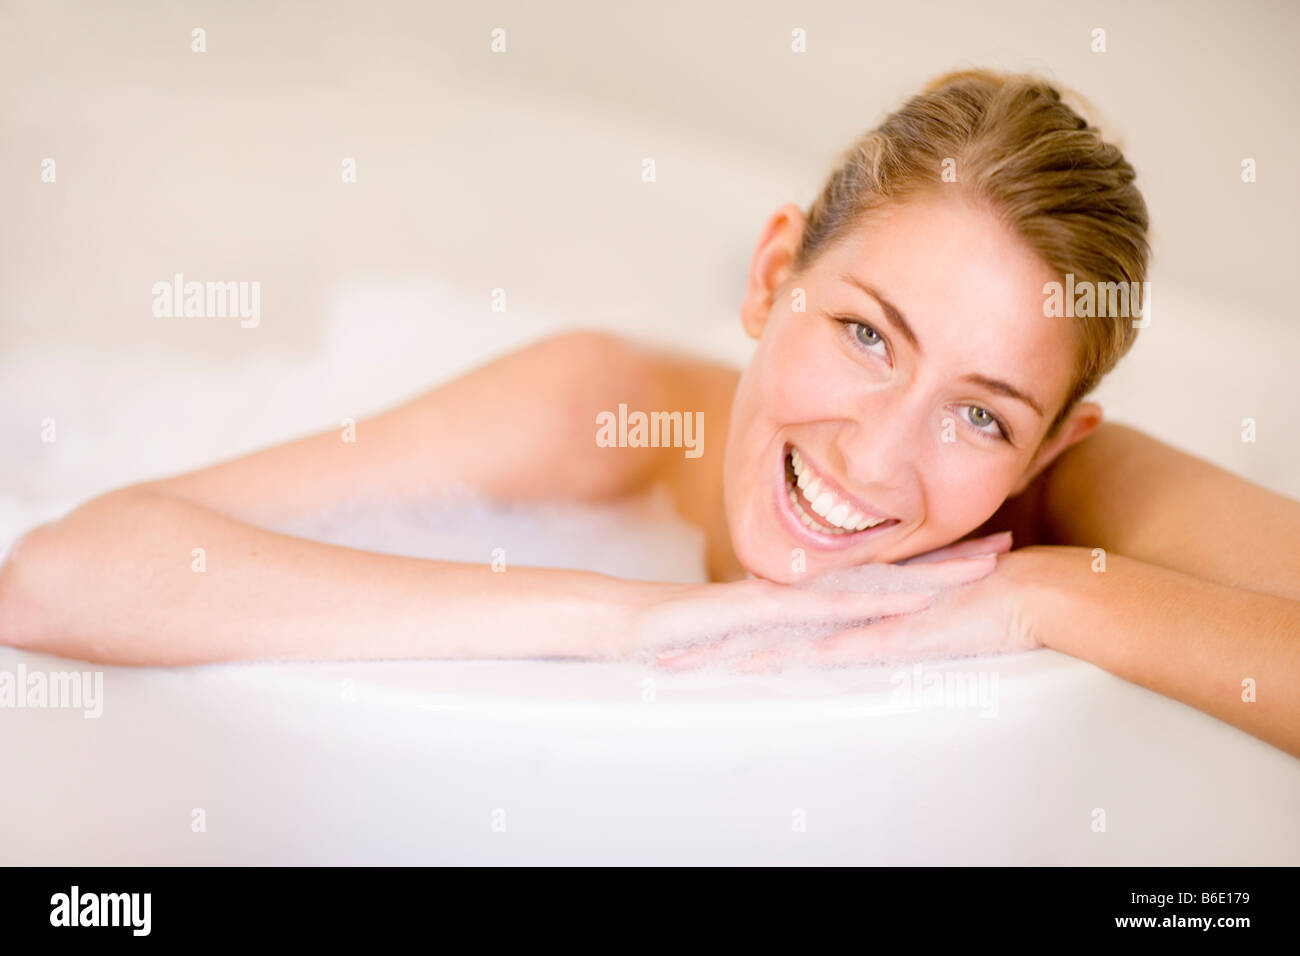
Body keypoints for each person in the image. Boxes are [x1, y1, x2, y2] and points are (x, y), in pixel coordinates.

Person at [3, 69, 1298, 756]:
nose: (878, 452)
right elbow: (59, 577)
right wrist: (632, 618)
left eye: (982, 417)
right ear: (768, 273)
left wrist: (1051, 595)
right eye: (863, 334)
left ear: (1057, 442)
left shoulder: (1068, 500)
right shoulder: (601, 408)